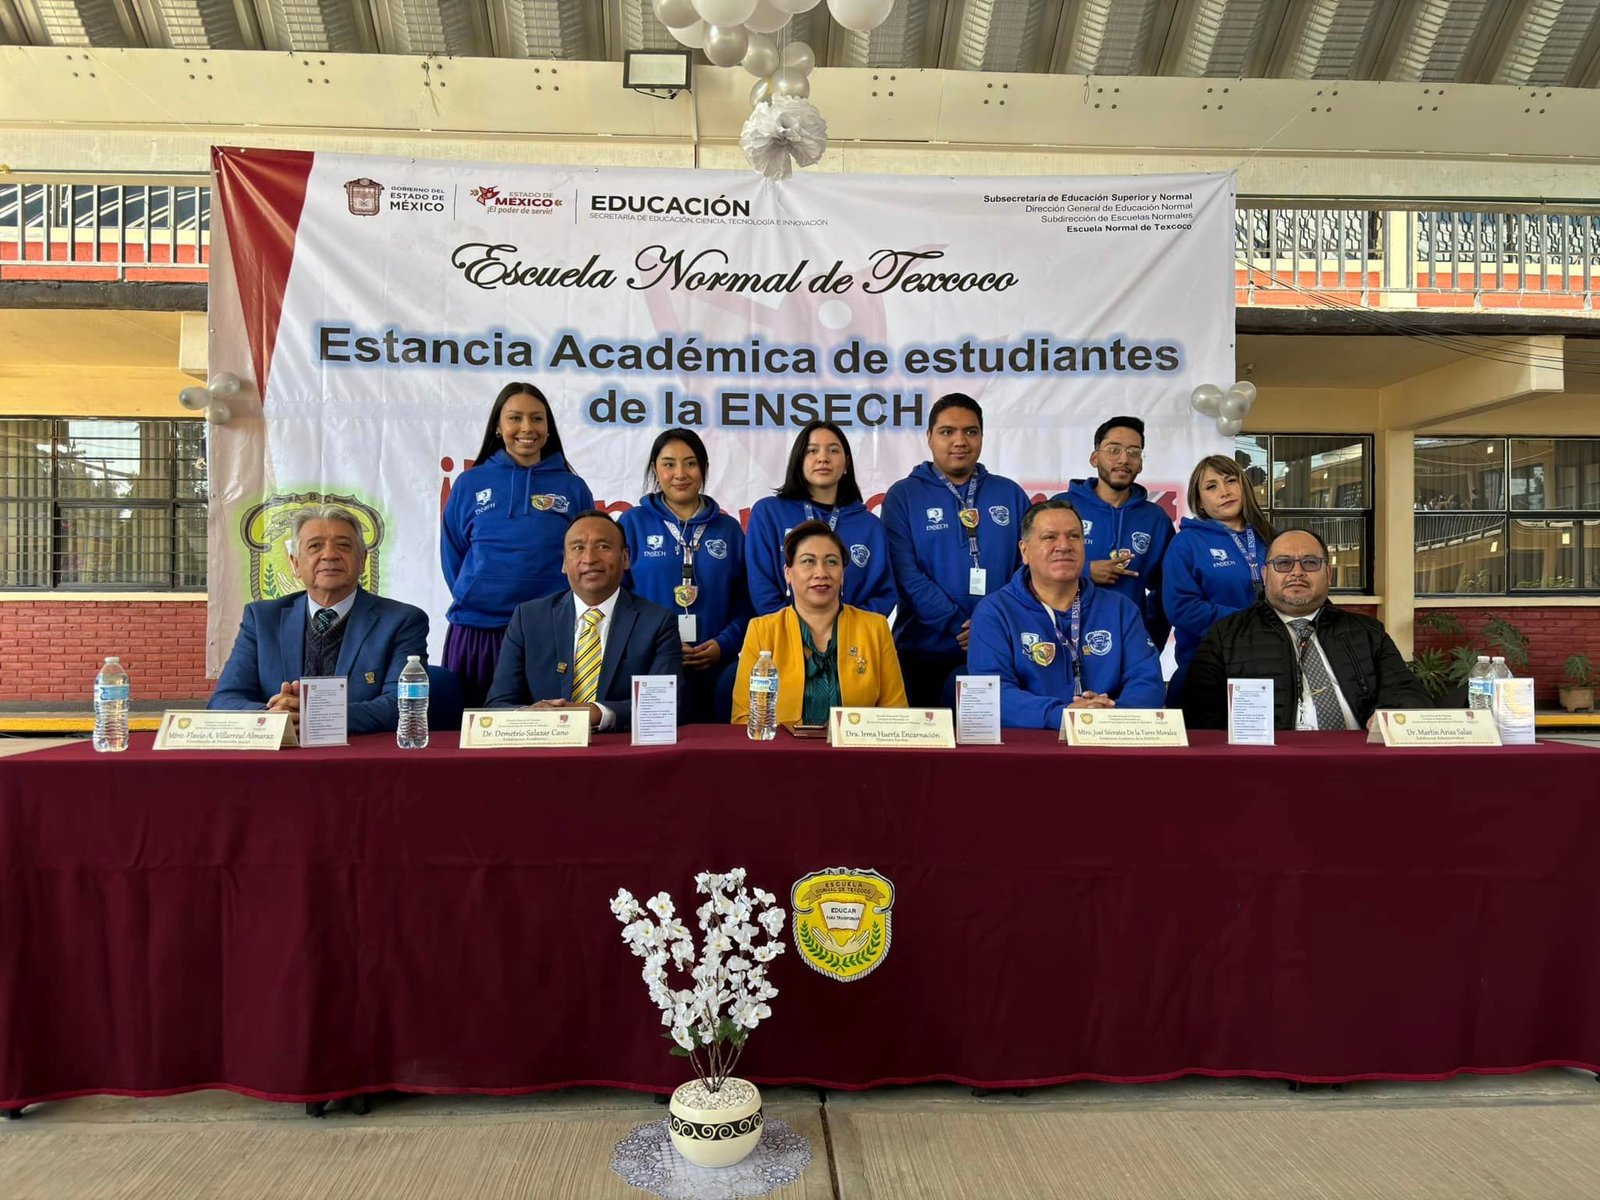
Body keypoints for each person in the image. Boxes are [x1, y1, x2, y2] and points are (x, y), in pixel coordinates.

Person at [1183, 528, 1432, 729]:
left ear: (1329, 574)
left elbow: (1408, 693)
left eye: (1310, 563)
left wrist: (1390, 717)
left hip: (1357, 759)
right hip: (1266, 765)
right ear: (1265, 574)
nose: (1297, 572)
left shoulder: (1367, 632)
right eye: (1283, 563)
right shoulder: (1226, 635)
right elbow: (1199, 713)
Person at [210, 505, 429, 734]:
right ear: (295, 563)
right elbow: (224, 699)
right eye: (315, 546)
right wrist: (273, 717)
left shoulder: (401, 621)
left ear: (362, 560)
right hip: (280, 760)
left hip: (356, 759)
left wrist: (315, 716)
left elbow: (402, 706)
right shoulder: (262, 619)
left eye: (343, 545)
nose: (329, 555)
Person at [441, 382, 594, 708]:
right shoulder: (470, 483)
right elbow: (453, 556)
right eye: (515, 418)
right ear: (498, 426)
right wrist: (483, 593)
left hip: (549, 632)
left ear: (549, 428)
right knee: (477, 735)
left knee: (552, 732)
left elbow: (585, 553)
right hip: (479, 632)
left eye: (537, 419)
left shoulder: (573, 487)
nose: (527, 428)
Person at [881, 394, 1030, 706]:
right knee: (919, 751)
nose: (960, 441)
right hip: (920, 651)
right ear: (930, 438)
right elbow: (905, 573)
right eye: (948, 432)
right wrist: (956, 624)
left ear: (982, 437)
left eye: (970, 431)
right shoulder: (903, 496)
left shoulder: (1010, 494)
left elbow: (1027, 570)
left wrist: (988, 623)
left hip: (997, 649)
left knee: (984, 752)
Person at [967, 500, 1164, 731]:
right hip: (1032, 750)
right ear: (1024, 551)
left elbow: (1148, 683)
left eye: (1074, 536)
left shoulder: (1122, 609)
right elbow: (991, 693)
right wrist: (1062, 716)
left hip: (1110, 740)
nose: (1064, 546)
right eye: (1049, 537)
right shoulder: (995, 612)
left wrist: (1112, 716)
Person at [486, 511, 681, 732]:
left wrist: (594, 712)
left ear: (625, 558)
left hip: (620, 753)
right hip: (544, 750)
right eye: (578, 548)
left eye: (603, 547)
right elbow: (498, 704)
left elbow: (668, 705)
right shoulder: (528, 618)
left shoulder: (657, 622)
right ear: (564, 562)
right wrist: (531, 716)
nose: (589, 559)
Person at [618, 429, 751, 722]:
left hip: (716, 665)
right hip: (651, 663)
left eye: (690, 463)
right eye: (669, 464)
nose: (680, 473)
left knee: (716, 752)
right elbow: (619, 600)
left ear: (704, 468)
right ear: (655, 469)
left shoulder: (728, 530)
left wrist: (723, 644)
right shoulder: (632, 523)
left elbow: (745, 604)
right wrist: (656, 642)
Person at [732, 522, 907, 727]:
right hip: (782, 755)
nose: (821, 572)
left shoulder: (875, 627)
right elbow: (744, 718)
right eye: (808, 561)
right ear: (788, 573)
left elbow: (897, 715)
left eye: (832, 562)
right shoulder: (762, 630)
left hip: (856, 755)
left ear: (842, 574)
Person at [745, 421, 895, 618]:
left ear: (847, 463)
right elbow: (761, 586)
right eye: (812, 451)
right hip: (783, 640)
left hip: (853, 643)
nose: (823, 458)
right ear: (799, 460)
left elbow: (883, 593)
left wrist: (842, 630)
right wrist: (797, 633)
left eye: (833, 451)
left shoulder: (869, 526)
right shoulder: (768, 513)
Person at [1052, 415, 1175, 649]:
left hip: (1127, 644)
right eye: (1114, 449)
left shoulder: (1155, 518)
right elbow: (1030, 568)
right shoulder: (1062, 507)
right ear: (1094, 457)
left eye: (1133, 452)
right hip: (1061, 640)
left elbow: (1167, 588)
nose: (1124, 459)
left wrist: (1149, 640)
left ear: (1140, 463)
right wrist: (1085, 571)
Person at [1162, 454, 1276, 703]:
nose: (1224, 491)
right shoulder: (1186, 543)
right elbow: (1181, 609)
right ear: (1200, 501)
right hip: (1208, 670)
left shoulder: (1270, 538)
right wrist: (1248, 625)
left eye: (1231, 481)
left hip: (1270, 666)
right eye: (1211, 486)